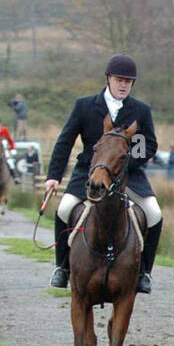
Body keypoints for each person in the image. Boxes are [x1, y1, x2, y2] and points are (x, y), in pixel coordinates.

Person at [45, 54, 162, 294]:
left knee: (154, 214)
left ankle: (144, 273)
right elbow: (65, 141)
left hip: (128, 174)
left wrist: (127, 162)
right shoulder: (85, 105)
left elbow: (149, 144)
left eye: (128, 81)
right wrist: (54, 175)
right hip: (89, 173)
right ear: (109, 79)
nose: (123, 85)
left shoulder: (141, 110)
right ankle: (62, 268)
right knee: (64, 209)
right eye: (119, 80)